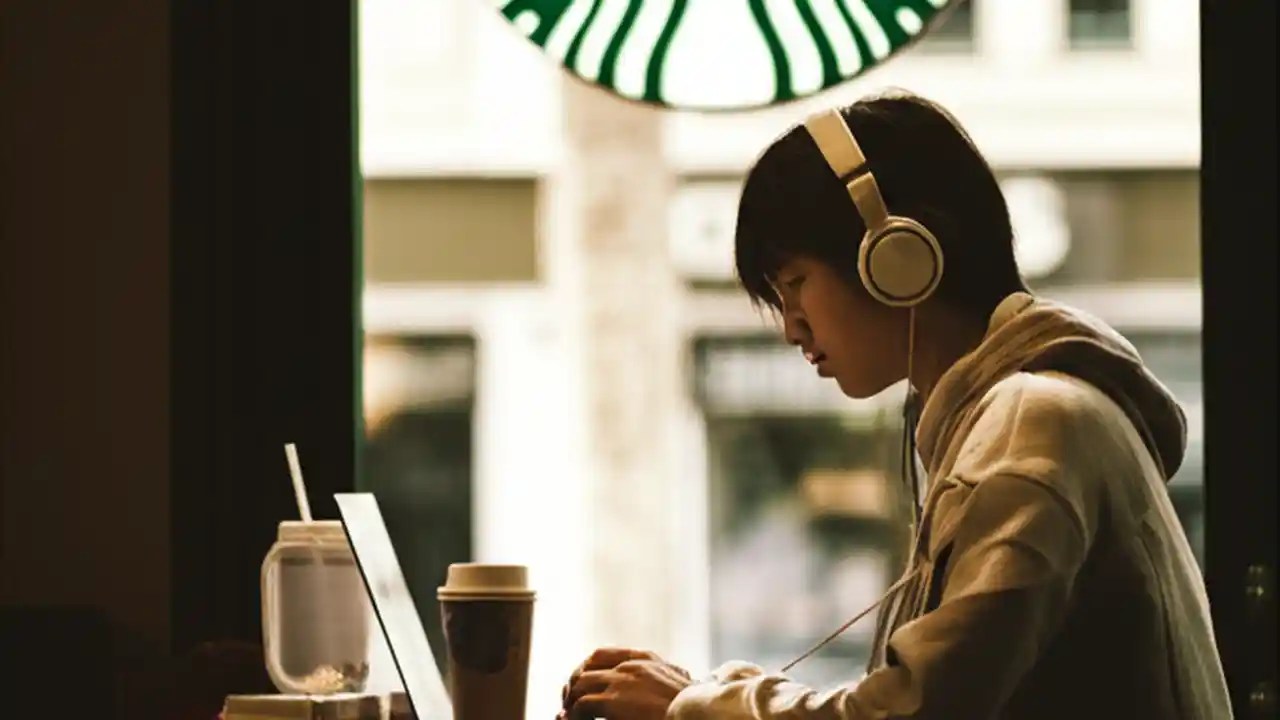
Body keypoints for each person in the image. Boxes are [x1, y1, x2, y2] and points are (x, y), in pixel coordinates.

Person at [558, 90, 1233, 720]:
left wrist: (698, 707)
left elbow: (916, 710)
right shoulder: (1010, 417)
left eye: (795, 283)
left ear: (898, 256)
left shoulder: (1031, 427)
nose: (791, 326)